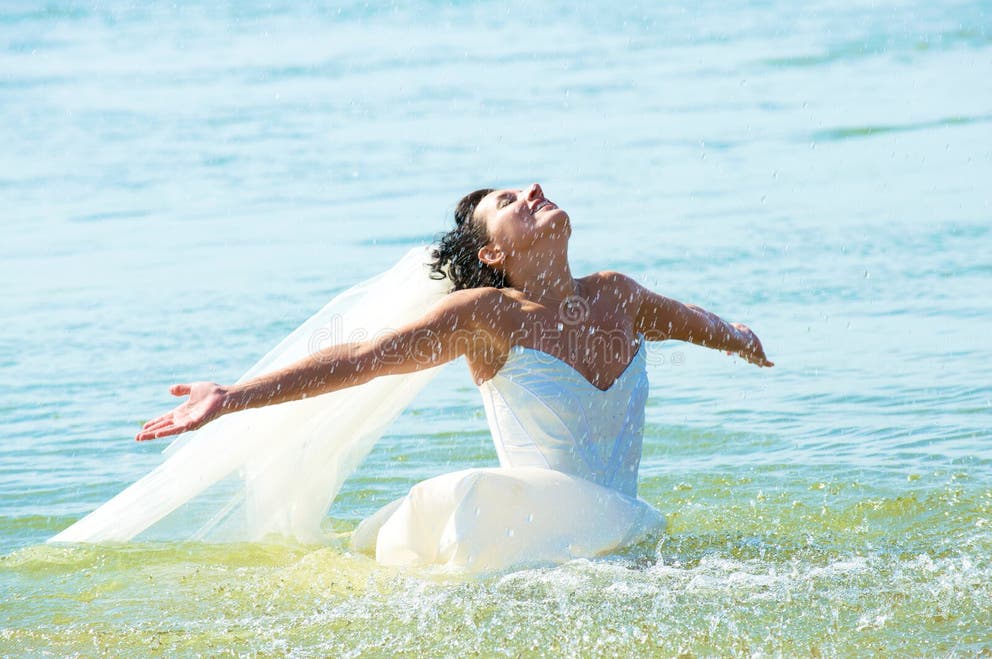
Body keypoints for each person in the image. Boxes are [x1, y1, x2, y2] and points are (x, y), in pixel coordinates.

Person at [67, 184, 773, 571]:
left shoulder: (618, 294)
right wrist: (233, 397)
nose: (533, 189)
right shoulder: (487, 316)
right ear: (493, 254)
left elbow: (696, 324)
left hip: (626, 534)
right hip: (526, 542)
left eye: (529, 187)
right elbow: (360, 357)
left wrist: (741, 339)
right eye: (510, 201)